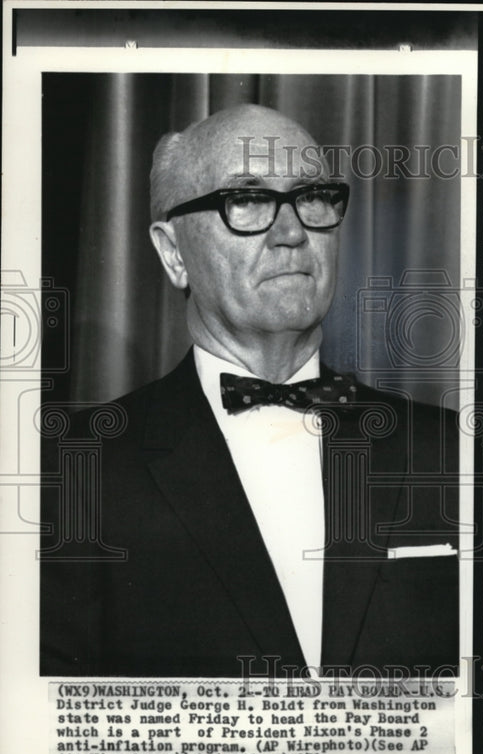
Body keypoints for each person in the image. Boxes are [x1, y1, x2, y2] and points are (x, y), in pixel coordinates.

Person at [40, 104, 459, 678]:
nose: (291, 233)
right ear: (172, 252)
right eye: (247, 201)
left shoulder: (450, 453)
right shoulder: (71, 473)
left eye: (312, 196)